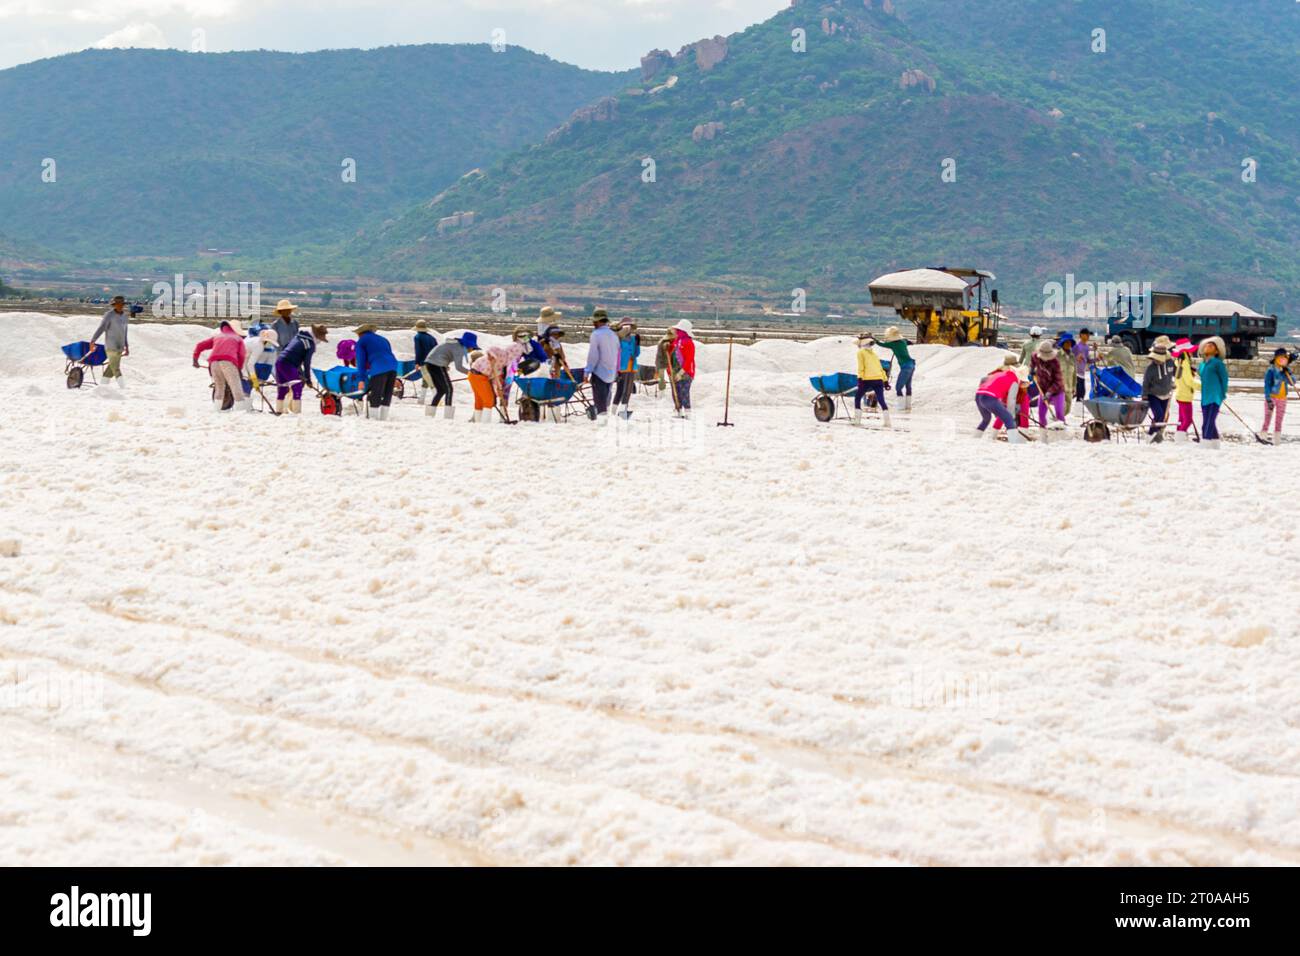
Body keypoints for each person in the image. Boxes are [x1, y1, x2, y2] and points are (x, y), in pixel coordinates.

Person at [468, 333, 528, 423]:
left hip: (478, 375)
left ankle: (478, 422)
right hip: (477, 374)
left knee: (480, 400)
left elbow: (497, 378)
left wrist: (498, 389)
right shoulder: (501, 353)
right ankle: (485, 423)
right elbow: (491, 349)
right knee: (489, 400)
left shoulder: (507, 364)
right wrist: (492, 356)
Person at [193, 319, 250, 412]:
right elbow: (241, 355)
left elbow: (200, 345)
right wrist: (239, 369)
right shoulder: (238, 339)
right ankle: (241, 412)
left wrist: (195, 359)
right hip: (228, 362)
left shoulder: (217, 337)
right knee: (236, 387)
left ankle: (217, 410)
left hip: (213, 363)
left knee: (219, 387)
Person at [275, 323, 327, 415]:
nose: (320, 342)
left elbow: (286, 348)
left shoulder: (298, 337)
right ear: (317, 336)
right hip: (288, 364)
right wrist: (308, 380)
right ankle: (296, 412)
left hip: (279, 361)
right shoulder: (310, 344)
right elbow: (307, 363)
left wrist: (301, 374)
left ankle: (279, 411)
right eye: (320, 339)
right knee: (297, 387)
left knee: (283, 388)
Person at [354, 324, 399, 421]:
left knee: (375, 394)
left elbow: (361, 362)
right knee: (387, 393)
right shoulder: (383, 339)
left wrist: (361, 379)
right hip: (393, 366)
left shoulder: (361, 341)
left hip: (379, 368)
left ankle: (373, 420)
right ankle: (383, 418)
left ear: (360, 333)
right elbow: (387, 354)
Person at [425, 332, 476, 418]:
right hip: (437, 364)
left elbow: (443, 353)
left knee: (441, 390)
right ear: (469, 346)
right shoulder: (459, 348)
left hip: (430, 363)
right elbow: (459, 367)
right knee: (449, 389)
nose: (472, 350)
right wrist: (471, 373)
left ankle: (430, 413)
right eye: (473, 348)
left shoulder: (455, 345)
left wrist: (445, 365)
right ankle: (448, 416)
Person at [974, 363, 1027, 443]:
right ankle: (1015, 444)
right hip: (990, 397)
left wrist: (999, 409)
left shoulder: (1000, 374)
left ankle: (974, 439)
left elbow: (984, 379)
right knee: (1009, 420)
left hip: (978, 395)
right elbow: (1011, 400)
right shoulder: (1014, 380)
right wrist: (1011, 415)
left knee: (986, 419)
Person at [584, 309, 620, 421]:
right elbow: (618, 353)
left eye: (594, 321)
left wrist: (587, 371)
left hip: (600, 373)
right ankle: (605, 423)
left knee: (600, 403)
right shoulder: (614, 335)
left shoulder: (596, 334)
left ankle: (602, 426)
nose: (593, 324)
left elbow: (593, 356)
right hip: (611, 373)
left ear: (598, 321)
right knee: (605, 400)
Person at [88, 295, 131, 388]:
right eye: (117, 304)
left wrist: (127, 346)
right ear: (114, 305)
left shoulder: (124, 316)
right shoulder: (109, 315)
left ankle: (103, 386)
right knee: (116, 368)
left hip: (120, 346)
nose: (119, 306)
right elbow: (101, 328)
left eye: (121, 304)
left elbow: (125, 332)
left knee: (111, 368)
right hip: (111, 346)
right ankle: (123, 387)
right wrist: (93, 341)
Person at [1141, 335, 1176, 442]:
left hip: (1166, 394)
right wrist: (1144, 396)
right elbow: (1145, 383)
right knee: (1159, 415)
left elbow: (1176, 373)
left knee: (1163, 417)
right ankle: (1151, 434)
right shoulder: (1150, 368)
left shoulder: (1170, 363)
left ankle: (1156, 434)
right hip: (1154, 395)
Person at [1197, 336, 1228, 449]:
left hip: (1215, 397)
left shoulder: (1218, 363)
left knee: (1208, 422)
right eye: (1206, 345)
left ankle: (1205, 443)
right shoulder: (1202, 365)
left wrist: (1222, 394)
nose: (1207, 346)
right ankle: (1215, 444)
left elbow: (1224, 379)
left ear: (1216, 351)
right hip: (1205, 397)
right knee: (1207, 421)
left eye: (1211, 346)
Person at [854, 334, 891, 428]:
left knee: (858, 397)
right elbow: (880, 368)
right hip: (878, 380)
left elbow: (861, 367)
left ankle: (857, 421)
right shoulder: (874, 355)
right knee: (881, 400)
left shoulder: (860, 352)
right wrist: (886, 381)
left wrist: (860, 379)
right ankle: (887, 422)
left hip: (867, 379)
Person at [1030, 340, 1067, 427]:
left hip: (1057, 391)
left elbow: (1058, 381)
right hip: (1042, 389)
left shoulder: (1055, 363)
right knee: (1041, 414)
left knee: (1059, 414)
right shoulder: (1035, 356)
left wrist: (1049, 392)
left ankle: (1061, 431)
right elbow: (1032, 363)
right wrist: (1032, 370)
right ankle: (1043, 430)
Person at [880, 326, 916, 411]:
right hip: (912, 364)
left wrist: (874, 340)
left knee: (898, 387)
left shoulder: (893, 344)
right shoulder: (903, 341)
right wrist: (908, 342)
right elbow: (908, 341)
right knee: (908, 386)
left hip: (905, 366)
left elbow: (881, 344)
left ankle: (901, 407)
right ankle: (908, 406)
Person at [1261, 348, 1291, 445]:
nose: (1283, 359)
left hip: (1282, 398)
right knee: (1268, 417)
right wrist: (1268, 399)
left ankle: (1277, 440)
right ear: (1276, 358)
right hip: (1272, 397)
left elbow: (1292, 382)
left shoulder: (1286, 370)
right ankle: (1263, 435)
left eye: (1284, 357)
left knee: (1279, 419)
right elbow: (1267, 386)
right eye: (1281, 357)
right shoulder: (1271, 370)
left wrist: (1288, 373)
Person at [1172, 338, 1198, 442]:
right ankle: (1180, 439)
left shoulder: (1180, 362)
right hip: (1185, 395)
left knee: (1181, 419)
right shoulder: (1185, 363)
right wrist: (1203, 387)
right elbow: (1189, 381)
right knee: (1187, 420)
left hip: (1180, 394)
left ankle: (1178, 437)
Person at [613, 319, 641, 419]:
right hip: (622, 367)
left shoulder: (633, 339)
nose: (628, 329)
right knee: (620, 390)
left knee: (628, 390)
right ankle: (613, 411)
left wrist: (638, 344)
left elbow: (637, 354)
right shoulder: (618, 338)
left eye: (629, 327)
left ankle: (623, 411)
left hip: (631, 367)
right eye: (626, 327)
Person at [670, 319, 697, 417]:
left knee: (684, 392)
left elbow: (689, 359)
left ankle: (687, 412)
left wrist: (680, 373)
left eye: (678, 330)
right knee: (676, 391)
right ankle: (678, 410)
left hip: (685, 372)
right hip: (675, 371)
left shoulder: (688, 343)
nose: (676, 331)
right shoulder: (675, 342)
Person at [413, 320, 438, 405]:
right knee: (426, 380)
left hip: (425, 362)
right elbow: (436, 350)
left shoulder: (418, 337)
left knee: (430, 381)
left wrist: (417, 362)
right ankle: (421, 400)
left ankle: (437, 399)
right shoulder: (432, 338)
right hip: (434, 362)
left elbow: (418, 351)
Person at [1056, 333, 1078, 416]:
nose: (1068, 344)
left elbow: (1074, 374)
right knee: (1060, 407)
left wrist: (1074, 387)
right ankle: (1058, 421)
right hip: (1059, 387)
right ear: (1062, 343)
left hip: (1069, 387)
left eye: (1070, 343)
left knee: (1068, 409)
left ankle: (1060, 420)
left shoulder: (1072, 357)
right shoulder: (1057, 355)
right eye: (1066, 342)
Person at [1074, 327, 1095, 402]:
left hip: (1082, 374)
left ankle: (1078, 412)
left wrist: (1097, 358)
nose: (1088, 336)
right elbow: (1070, 358)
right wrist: (1076, 358)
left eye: (1089, 334)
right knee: (1080, 393)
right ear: (1081, 335)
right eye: (1087, 334)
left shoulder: (1086, 347)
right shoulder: (1076, 346)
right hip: (1075, 373)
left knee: (1082, 394)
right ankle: (1077, 411)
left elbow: (1088, 360)